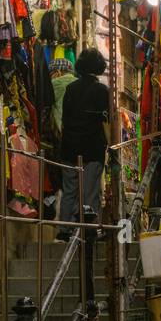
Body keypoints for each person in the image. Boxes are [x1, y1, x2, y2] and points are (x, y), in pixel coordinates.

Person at [57, 48, 109, 241]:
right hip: (92, 146)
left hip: (69, 146)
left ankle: (65, 228)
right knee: (90, 190)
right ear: (99, 67)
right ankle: (90, 227)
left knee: (69, 189)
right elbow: (106, 122)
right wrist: (111, 145)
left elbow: (64, 120)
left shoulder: (71, 88)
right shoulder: (102, 91)